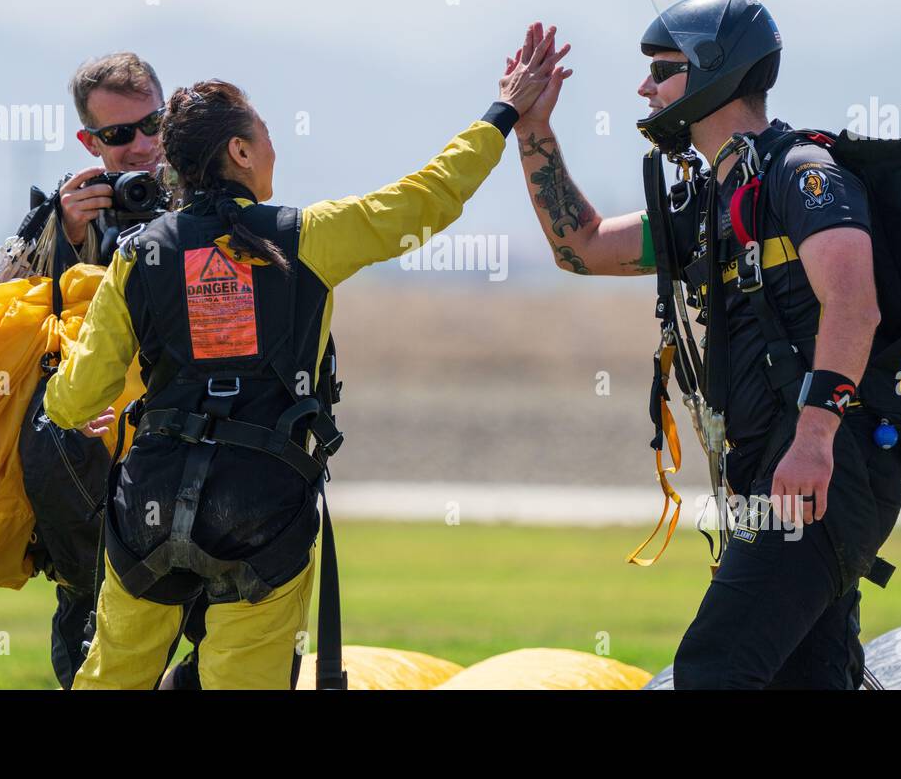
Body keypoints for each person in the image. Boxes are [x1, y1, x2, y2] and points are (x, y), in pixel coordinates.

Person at [42, 38, 564, 689]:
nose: (272, 149)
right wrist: (500, 114)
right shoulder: (306, 235)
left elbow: (73, 400)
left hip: (148, 500)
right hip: (258, 511)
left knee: (110, 682)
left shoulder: (137, 254)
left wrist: (52, 378)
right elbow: (428, 198)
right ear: (239, 151)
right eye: (264, 135)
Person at [508, 0, 901, 689]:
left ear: (713, 71)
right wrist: (530, 128)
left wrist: (812, 442)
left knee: (713, 670)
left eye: (661, 69)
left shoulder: (800, 174)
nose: (644, 86)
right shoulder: (713, 200)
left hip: (818, 470)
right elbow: (585, 247)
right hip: (773, 477)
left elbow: (854, 303)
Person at [15, 51, 209, 690]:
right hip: (96, 461)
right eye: (118, 135)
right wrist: (63, 234)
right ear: (88, 141)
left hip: (200, 447)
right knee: (94, 625)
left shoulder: (212, 195)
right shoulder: (72, 214)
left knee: (223, 629)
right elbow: (11, 324)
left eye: (151, 125)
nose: (141, 147)